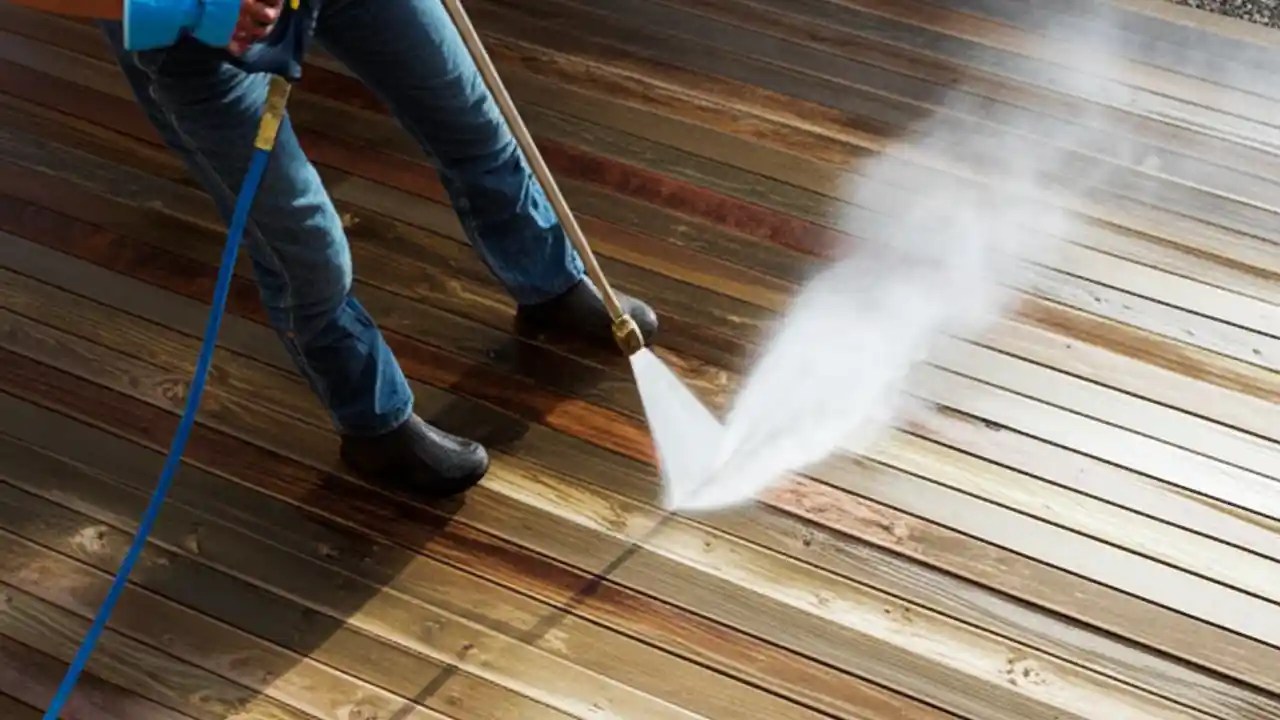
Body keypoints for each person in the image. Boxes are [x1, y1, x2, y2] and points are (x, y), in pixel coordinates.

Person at [15, 0, 659, 497]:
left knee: (470, 122)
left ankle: (548, 281)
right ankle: (373, 422)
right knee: (306, 250)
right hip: (199, 36)